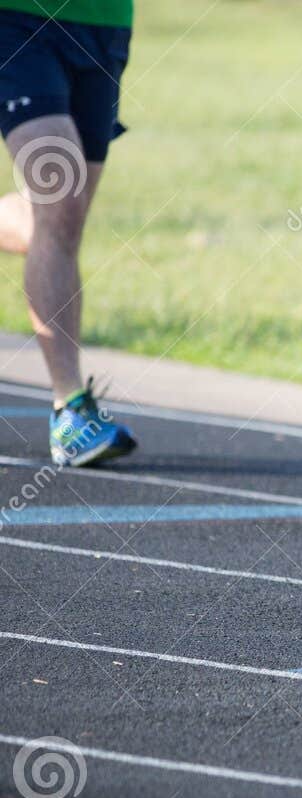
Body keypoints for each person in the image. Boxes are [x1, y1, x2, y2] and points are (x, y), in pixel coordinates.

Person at [0, 0, 137, 467]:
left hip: (103, 23)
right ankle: (71, 408)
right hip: (17, 19)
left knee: (57, 221)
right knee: (61, 200)